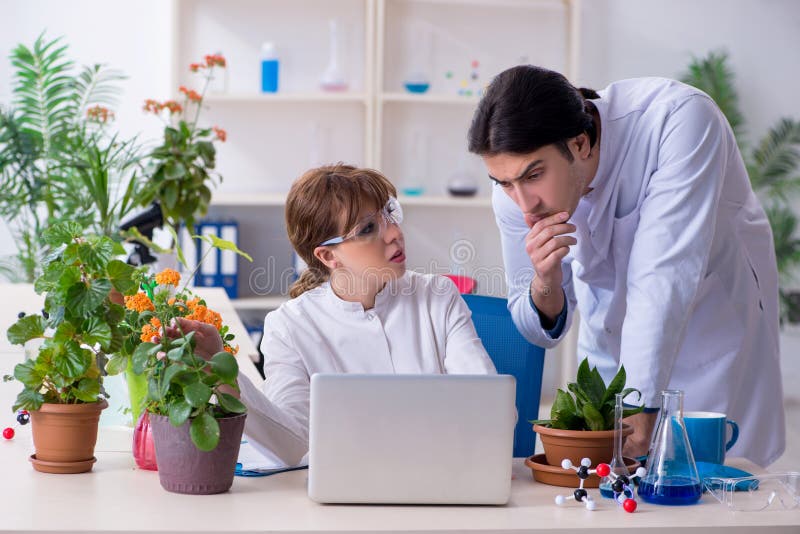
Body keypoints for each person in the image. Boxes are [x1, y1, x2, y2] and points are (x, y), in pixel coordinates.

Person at [467, 65, 784, 466]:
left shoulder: (678, 120)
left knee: (716, 494)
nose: (523, 204)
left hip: (711, 336)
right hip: (608, 351)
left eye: (534, 174)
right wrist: (545, 282)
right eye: (504, 183)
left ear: (580, 143)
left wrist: (641, 401)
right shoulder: (515, 193)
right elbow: (536, 328)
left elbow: (663, 277)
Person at [169, 164, 496, 466]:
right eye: (368, 228)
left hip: (442, 483)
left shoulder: (437, 296)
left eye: (389, 214)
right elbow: (292, 444)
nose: (394, 232)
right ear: (328, 255)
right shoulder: (290, 326)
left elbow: (491, 405)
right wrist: (221, 372)